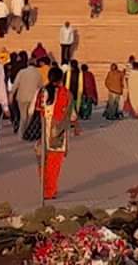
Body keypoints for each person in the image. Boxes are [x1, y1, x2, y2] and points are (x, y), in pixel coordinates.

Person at [36, 67, 75, 200]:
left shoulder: (42, 92)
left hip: (43, 132)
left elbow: (36, 110)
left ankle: (44, 188)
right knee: (54, 164)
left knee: (43, 163)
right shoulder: (66, 93)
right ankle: (50, 191)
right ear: (61, 79)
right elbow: (71, 114)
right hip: (58, 133)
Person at [12, 57, 44, 140]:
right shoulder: (38, 73)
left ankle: (21, 134)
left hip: (21, 97)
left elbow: (15, 84)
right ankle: (26, 132)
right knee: (30, 116)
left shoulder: (22, 72)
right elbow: (41, 86)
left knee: (23, 116)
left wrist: (11, 94)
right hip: (32, 98)